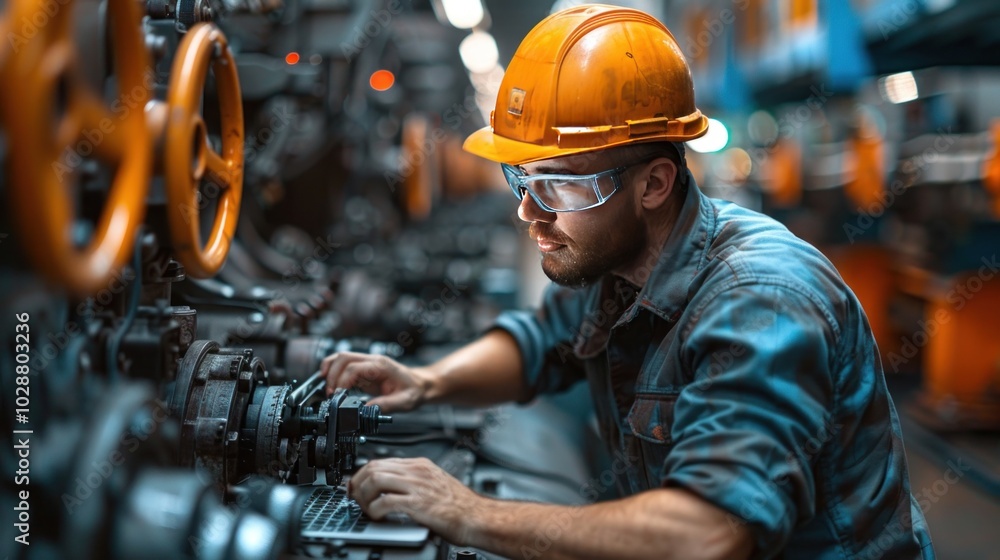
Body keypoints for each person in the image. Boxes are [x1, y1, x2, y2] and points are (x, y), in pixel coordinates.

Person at [321, 5, 935, 559]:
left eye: (560, 184)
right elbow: (540, 343)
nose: (529, 212)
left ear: (654, 185)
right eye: (522, 178)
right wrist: (425, 383)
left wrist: (467, 512)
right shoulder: (617, 264)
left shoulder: (763, 300)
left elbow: (706, 533)